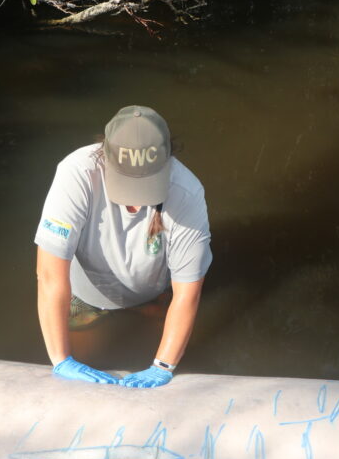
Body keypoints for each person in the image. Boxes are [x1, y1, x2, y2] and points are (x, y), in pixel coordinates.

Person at [34, 105, 212, 388]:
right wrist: (61, 359)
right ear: (104, 155)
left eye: (147, 183)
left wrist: (163, 366)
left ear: (169, 159)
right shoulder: (76, 173)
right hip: (85, 298)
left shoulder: (187, 192)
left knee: (192, 353)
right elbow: (49, 273)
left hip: (155, 295)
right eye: (128, 183)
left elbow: (188, 290)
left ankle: (149, 314)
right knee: (76, 375)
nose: (137, 201)